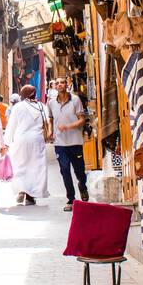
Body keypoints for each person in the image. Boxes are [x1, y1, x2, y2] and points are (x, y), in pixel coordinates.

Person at [1, 84, 49, 205]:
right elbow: (48, 122)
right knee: (35, 167)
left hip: (20, 140)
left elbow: (11, 126)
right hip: (37, 140)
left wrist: (6, 143)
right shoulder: (42, 107)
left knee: (20, 166)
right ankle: (30, 195)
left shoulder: (18, 107)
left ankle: (21, 189)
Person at [46, 76, 89, 211]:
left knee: (79, 171)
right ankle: (71, 199)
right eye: (57, 83)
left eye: (62, 83)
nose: (59, 85)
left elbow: (82, 120)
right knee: (64, 170)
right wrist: (50, 131)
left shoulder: (75, 100)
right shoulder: (51, 103)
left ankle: (82, 186)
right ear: (54, 87)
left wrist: (68, 127)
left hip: (75, 142)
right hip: (60, 143)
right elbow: (51, 119)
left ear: (66, 84)